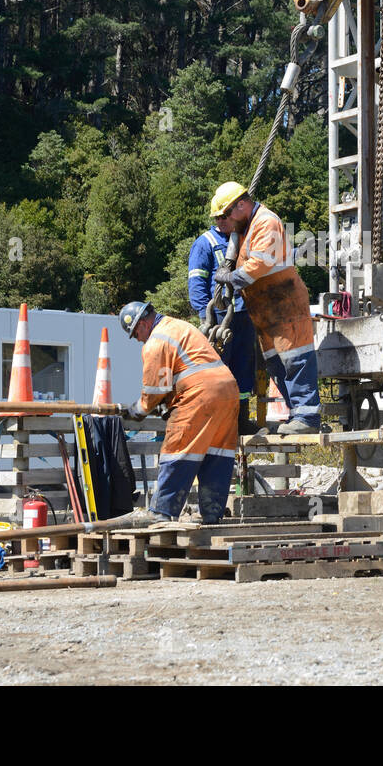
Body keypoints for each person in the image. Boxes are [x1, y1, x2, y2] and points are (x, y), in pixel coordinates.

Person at [208, 181, 320, 435]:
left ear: (241, 204)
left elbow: (257, 266)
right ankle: (297, 416)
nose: (223, 222)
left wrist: (229, 277)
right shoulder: (244, 228)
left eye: (225, 215)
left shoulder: (266, 222)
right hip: (266, 310)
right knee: (278, 367)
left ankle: (308, 418)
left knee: (296, 360)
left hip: (285, 304)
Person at [117, 300, 239, 524]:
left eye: (135, 333)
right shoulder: (180, 327)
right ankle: (212, 515)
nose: (137, 339)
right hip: (228, 391)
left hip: (200, 395)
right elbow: (174, 375)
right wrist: (168, 401)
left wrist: (138, 410)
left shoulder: (156, 341)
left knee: (178, 450)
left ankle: (162, 512)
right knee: (217, 454)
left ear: (142, 324)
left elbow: (154, 390)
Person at [188, 209, 260, 435]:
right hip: (219, 315)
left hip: (244, 313)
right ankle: (215, 422)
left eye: (225, 216)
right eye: (218, 218)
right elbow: (197, 283)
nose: (221, 221)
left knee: (243, 370)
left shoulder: (244, 239)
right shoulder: (205, 243)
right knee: (217, 371)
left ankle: (241, 420)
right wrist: (205, 316)